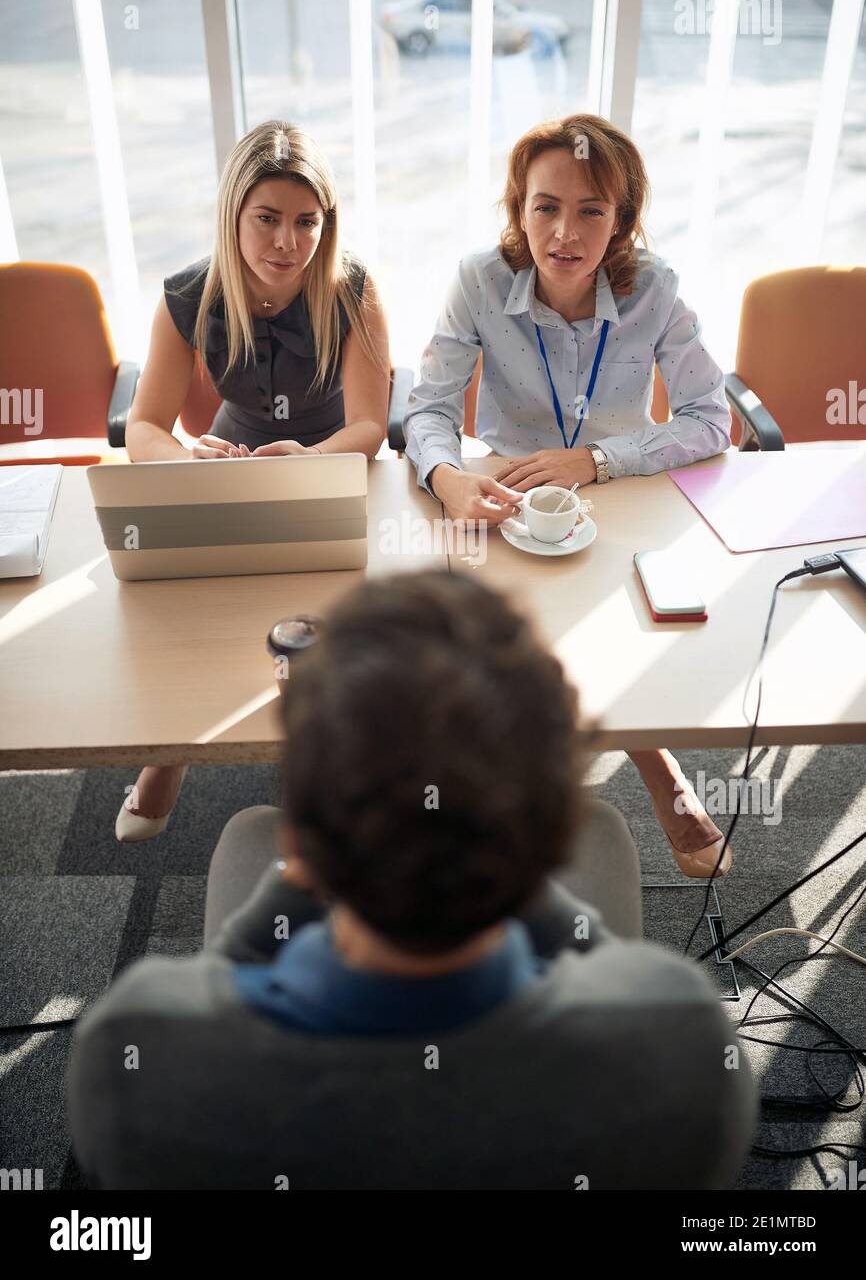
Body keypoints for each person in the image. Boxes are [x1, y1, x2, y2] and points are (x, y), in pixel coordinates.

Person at [67, 570, 756, 1190]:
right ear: (550, 838)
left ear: (299, 838)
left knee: (237, 839)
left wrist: (301, 866)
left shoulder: (134, 1051)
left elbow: (215, 986)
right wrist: (511, 849)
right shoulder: (685, 1045)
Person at [404, 113, 733, 878]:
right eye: (546, 205)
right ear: (518, 208)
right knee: (489, 642)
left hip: (617, 488)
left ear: (621, 222)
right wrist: (451, 479)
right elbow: (427, 407)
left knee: (609, 628)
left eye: (592, 210)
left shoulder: (655, 291)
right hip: (505, 490)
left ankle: (660, 770)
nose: (565, 232)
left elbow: (712, 418)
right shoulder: (480, 281)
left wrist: (596, 460)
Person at [116, 120, 390, 842]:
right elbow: (141, 428)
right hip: (230, 454)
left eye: (306, 223)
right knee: (200, 601)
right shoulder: (188, 297)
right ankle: (174, 745)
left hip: (331, 454)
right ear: (233, 215)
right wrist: (189, 460)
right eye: (266, 219)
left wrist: (312, 457)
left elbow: (369, 426)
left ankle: (342, 752)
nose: (286, 243)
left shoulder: (353, 290)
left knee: (336, 601)